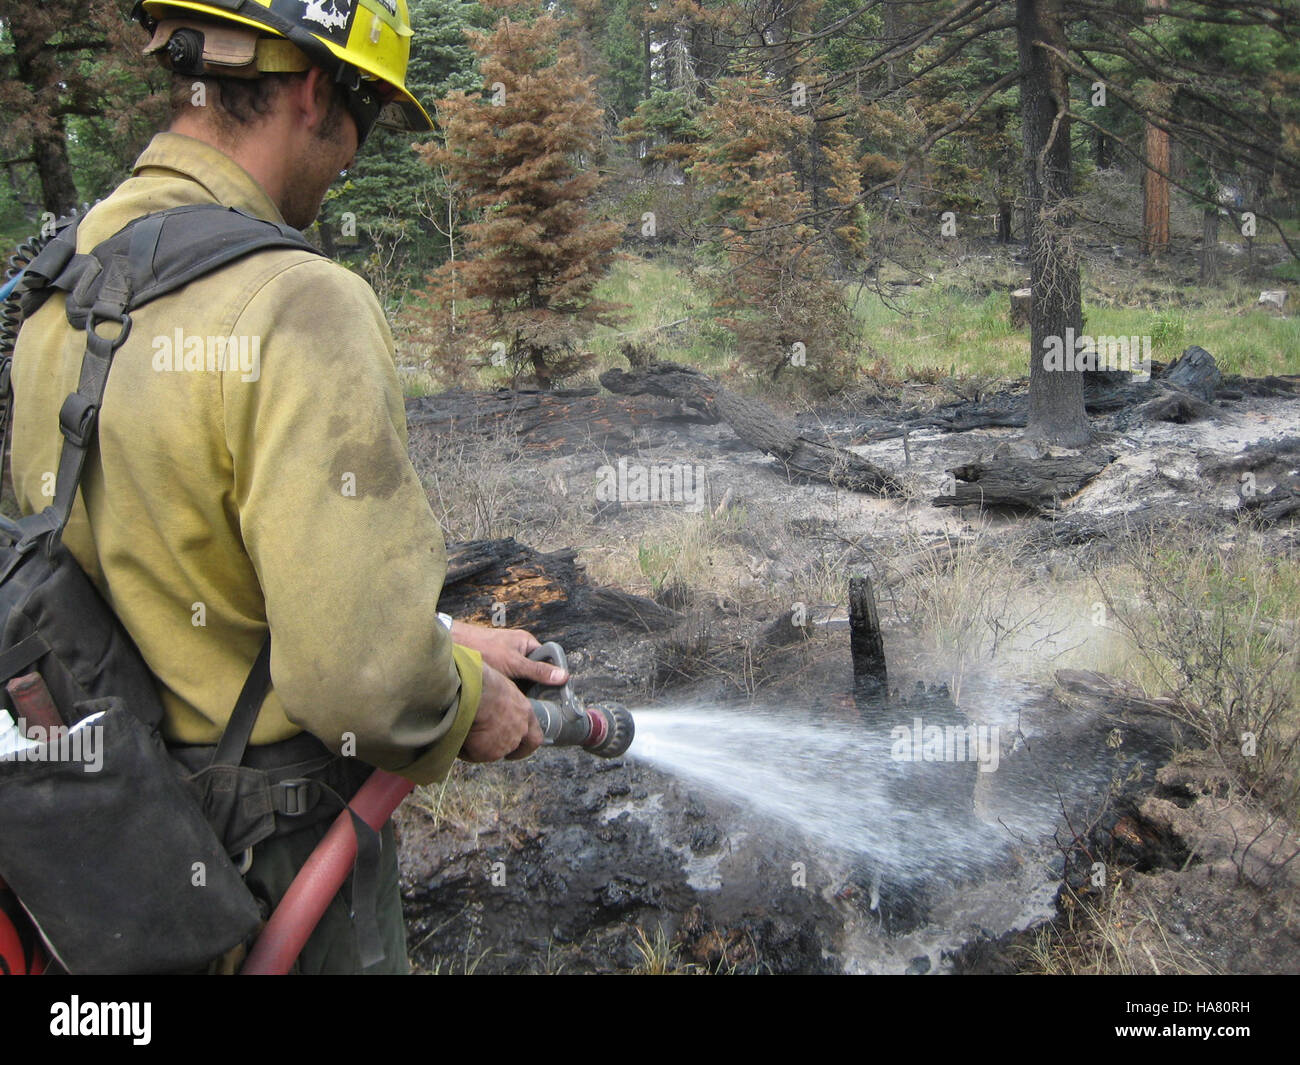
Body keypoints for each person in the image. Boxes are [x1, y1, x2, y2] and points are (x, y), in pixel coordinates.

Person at [8, 0, 553, 974]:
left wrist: (444, 637)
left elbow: (183, 585)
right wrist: (469, 700)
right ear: (314, 91)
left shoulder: (64, 289)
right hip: (268, 871)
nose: (351, 154)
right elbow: (367, 687)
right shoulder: (298, 303)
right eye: (368, 116)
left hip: (113, 866)